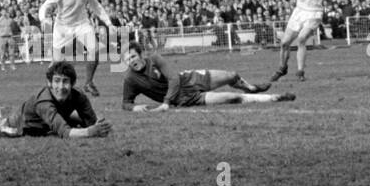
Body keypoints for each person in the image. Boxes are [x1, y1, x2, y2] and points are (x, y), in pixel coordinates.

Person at [0, 60, 111, 140]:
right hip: (17, 126)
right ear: (49, 83)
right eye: (57, 81)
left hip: (45, 123)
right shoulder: (44, 102)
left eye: (65, 81)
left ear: (72, 84)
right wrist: (90, 132)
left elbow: (93, 122)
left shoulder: (79, 97)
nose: (61, 86)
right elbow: (66, 133)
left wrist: (98, 125)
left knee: (74, 120)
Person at [121, 42, 288, 110]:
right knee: (232, 98)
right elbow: (125, 103)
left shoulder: (155, 59)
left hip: (189, 79)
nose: (131, 61)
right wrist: (134, 107)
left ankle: (252, 88)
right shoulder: (130, 78)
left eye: (133, 56)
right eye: (127, 59)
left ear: (141, 54)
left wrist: (165, 103)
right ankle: (274, 98)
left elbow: (174, 79)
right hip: (183, 98)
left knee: (231, 75)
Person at [38, 0, 114, 96]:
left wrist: (109, 23)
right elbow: (46, 6)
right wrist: (43, 19)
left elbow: (96, 7)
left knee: (95, 50)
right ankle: (48, 87)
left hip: (82, 25)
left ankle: (88, 83)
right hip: (62, 27)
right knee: (57, 62)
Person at [263, 0, 341, 83]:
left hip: (314, 13)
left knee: (302, 38)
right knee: (284, 43)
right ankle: (282, 68)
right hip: (299, 12)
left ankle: (300, 72)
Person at [0, 6, 17, 72]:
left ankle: (12, 65)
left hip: (10, 37)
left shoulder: (10, 20)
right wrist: (0, 34)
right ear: (1, 12)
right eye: (3, 11)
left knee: (11, 53)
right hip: (2, 38)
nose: (4, 13)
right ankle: (3, 66)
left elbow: (13, 28)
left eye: (5, 11)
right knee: (2, 53)